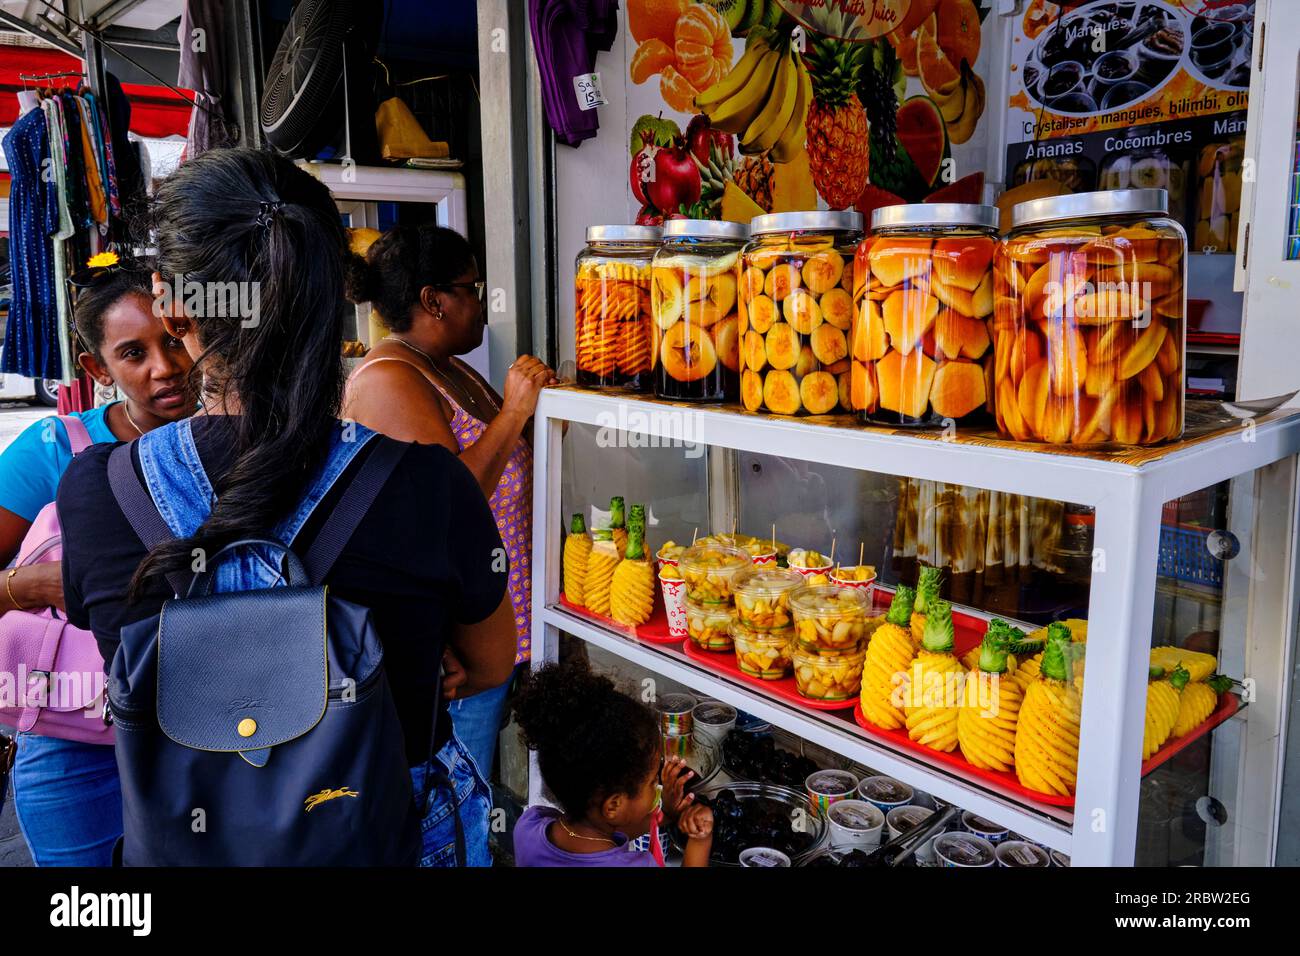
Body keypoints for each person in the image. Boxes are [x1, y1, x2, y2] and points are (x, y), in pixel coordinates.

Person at [56, 147, 518, 867]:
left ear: (173, 305)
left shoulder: (99, 493)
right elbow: (491, 666)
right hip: (384, 838)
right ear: (333, 292)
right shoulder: (428, 485)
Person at [342, 224, 555, 782]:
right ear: (433, 300)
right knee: (456, 812)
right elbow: (449, 504)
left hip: (497, 640)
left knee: (475, 801)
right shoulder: (390, 379)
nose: (482, 305)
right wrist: (513, 412)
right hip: (453, 651)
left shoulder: (447, 366)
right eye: (473, 288)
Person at [0, 256, 195, 865]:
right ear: (97, 368)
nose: (166, 369)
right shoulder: (54, 453)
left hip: (214, 731)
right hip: (76, 739)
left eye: (173, 342)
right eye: (133, 354)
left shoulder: (242, 439)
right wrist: (38, 586)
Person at [512, 661, 714, 867]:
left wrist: (667, 816)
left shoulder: (529, 826)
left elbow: (608, 827)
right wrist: (700, 840)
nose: (657, 789)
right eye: (653, 782)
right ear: (614, 805)